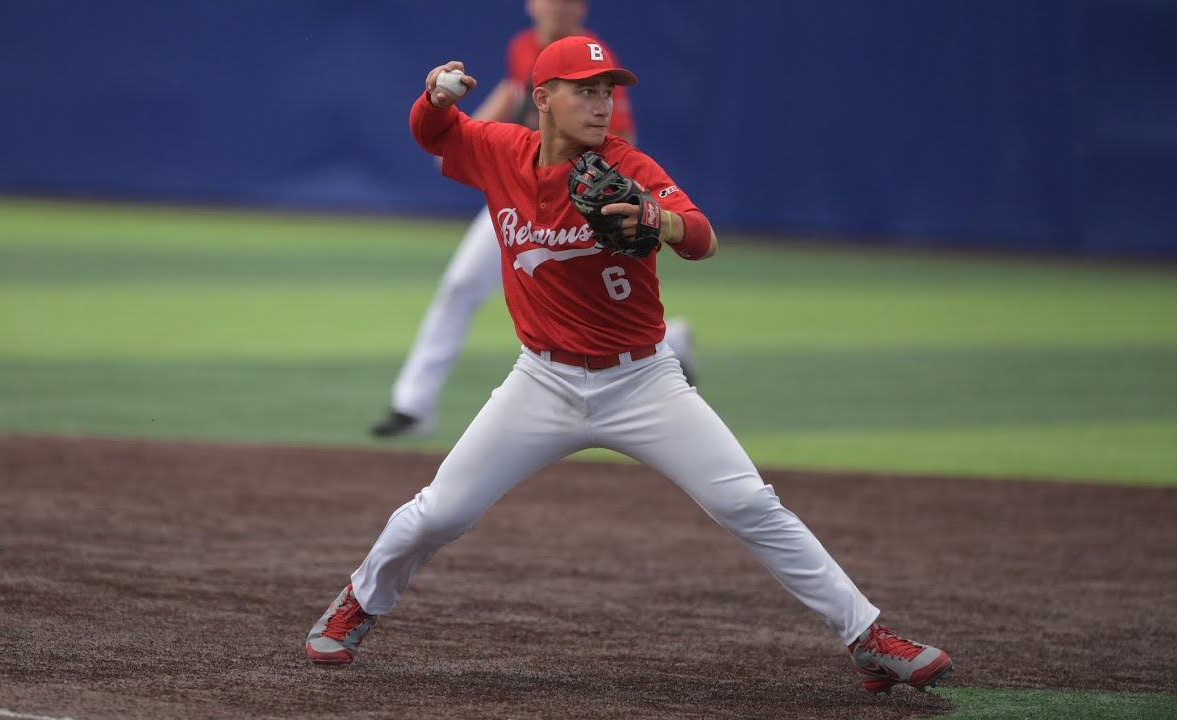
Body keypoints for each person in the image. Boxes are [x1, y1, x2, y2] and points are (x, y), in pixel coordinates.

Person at [308, 38, 954, 695]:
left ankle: (867, 638)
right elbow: (433, 132)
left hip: (643, 381)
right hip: (543, 382)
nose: (601, 102)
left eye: (606, 90)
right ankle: (357, 603)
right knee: (442, 512)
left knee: (749, 502)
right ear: (542, 99)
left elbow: (702, 237)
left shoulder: (626, 165)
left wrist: (660, 223)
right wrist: (434, 97)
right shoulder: (501, 151)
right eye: (584, 90)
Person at [370, 0, 696, 439]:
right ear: (532, 5)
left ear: (582, 8)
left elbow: (622, 138)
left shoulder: (596, 59)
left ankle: (668, 341)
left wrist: (620, 194)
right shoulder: (524, 48)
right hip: (521, 188)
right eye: (550, 0)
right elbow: (514, 93)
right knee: (461, 285)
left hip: (580, 200)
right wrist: (466, 128)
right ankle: (412, 405)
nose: (557, 9)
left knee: (591, 302)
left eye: (568, 2)